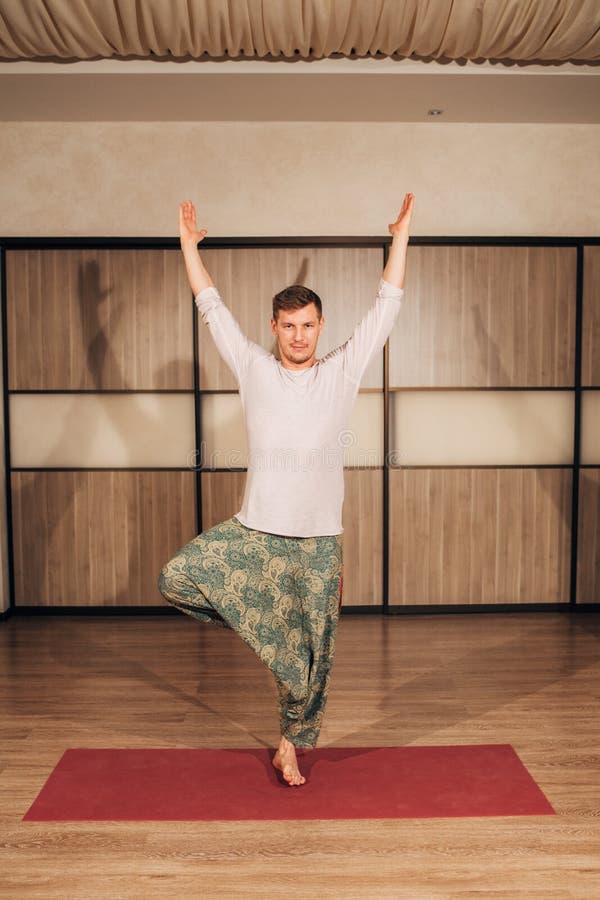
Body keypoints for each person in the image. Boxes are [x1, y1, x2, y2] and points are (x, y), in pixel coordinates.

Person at [158, 193, 414, 786]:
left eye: (307, 325)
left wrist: (399, 238)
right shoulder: (253, 368)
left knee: (315, 662)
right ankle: (273, 642)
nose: (298, 336)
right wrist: (188, 251)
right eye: (288, 326)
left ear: (320, 326)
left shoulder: (342, 371)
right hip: (258, 532)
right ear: (273, 327)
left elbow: (387, 307)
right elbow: (211, 307)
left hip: (319, 540)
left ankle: (289, 746)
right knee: (176, 577)